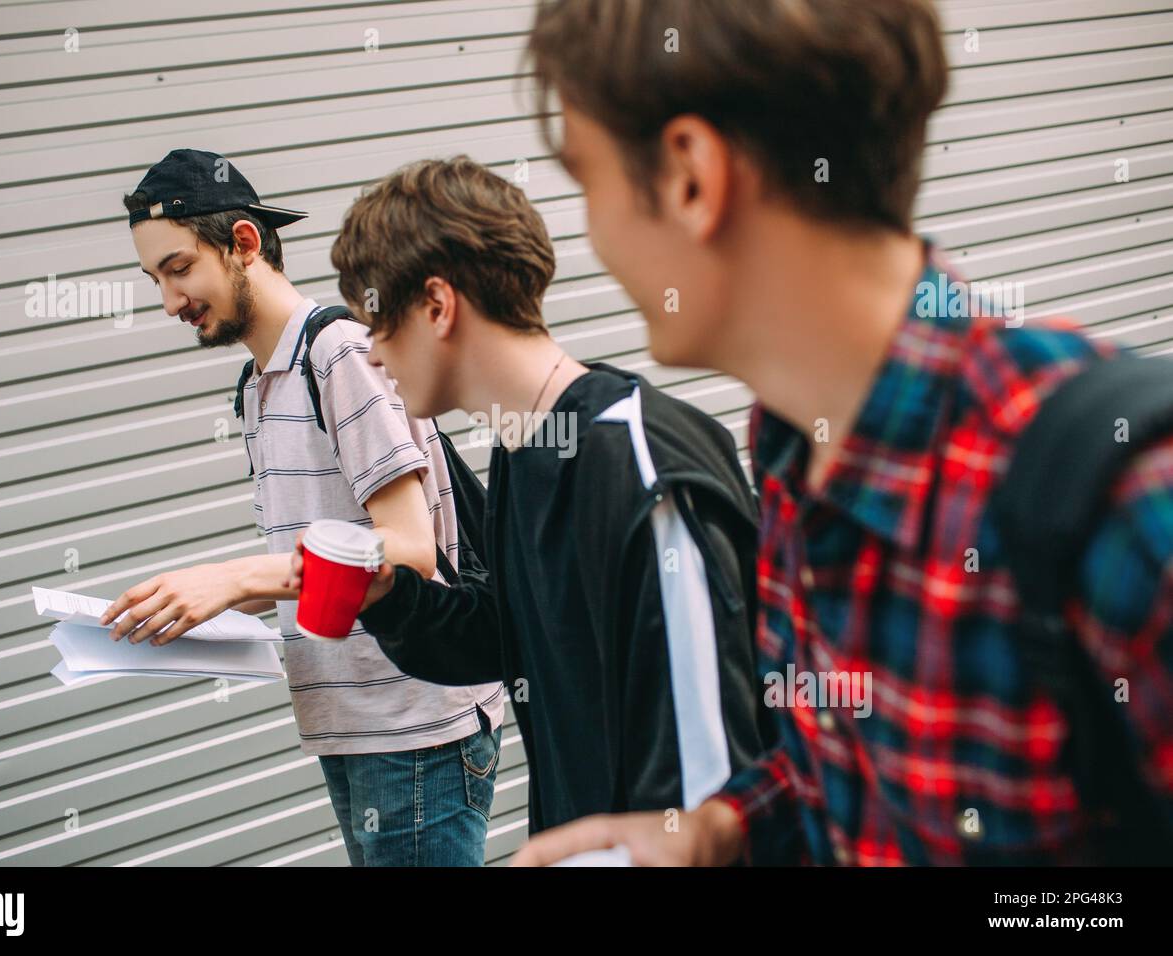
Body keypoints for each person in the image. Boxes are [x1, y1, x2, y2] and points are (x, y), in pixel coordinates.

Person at [511, 0, 1173, 865]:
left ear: (690, 178)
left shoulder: (1127, 505)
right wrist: (717, 829)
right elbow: (843, 763)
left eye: (587, 183)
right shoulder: (792, 446)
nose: (593, 236)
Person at [287, 155, 776, 837]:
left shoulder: (634, 457)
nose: (370, 355)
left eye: (378, 327)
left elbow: (706, 779)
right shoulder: (522, 449)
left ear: (437, 306)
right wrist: (392, 599)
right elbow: (506, 637)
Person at [104, 149, 505, 866]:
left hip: (411, 727)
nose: (169, 301)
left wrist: (237, 578)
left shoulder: (339, 354)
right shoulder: (259, 386)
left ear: (244, 245)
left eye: (178, 268)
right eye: (154, 279)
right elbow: (318, 567)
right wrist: (189, 611)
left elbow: (408, 550)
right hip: (348, 722)